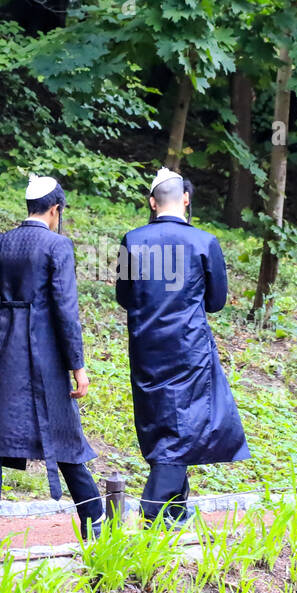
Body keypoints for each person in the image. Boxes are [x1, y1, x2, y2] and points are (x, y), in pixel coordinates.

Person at [0, 176, 103, 549]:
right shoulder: (58, 246)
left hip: (0, 352)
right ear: (55, 209)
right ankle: (94, 518)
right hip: (44, 356)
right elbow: (65, 310)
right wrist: (78, 365)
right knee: (64, 434)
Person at [115, 167, 249, 528]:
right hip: (188, 346)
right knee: (184, 424)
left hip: (146, 344)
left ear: (151, 203)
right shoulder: (204, 242)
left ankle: (174, 510)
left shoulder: (134, 239)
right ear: (186, 199)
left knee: (164, 423)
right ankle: (152, 510)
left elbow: (124, 296)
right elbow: (216, 301)